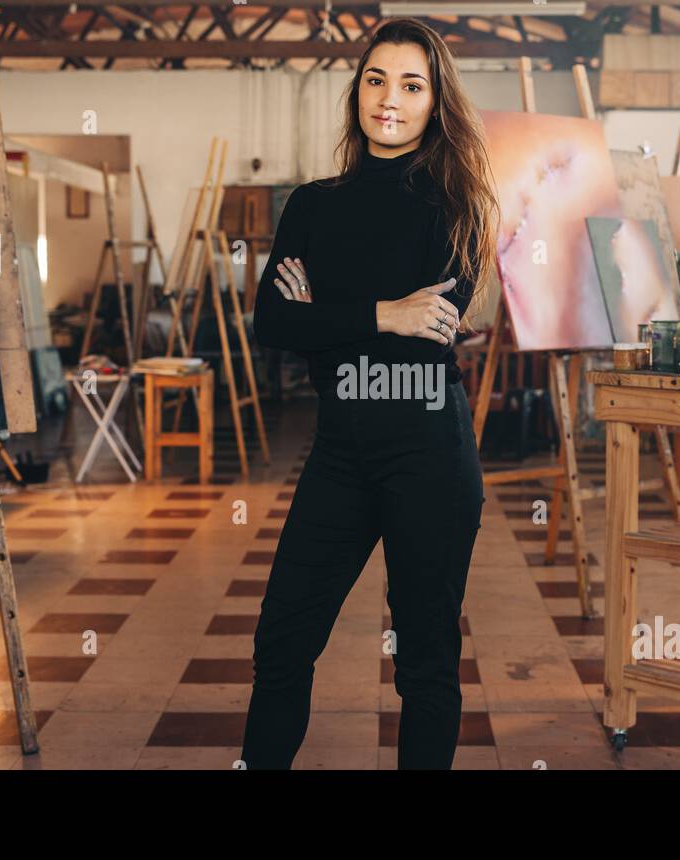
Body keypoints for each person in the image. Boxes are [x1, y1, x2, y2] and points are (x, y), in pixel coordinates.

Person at [240, 17, 499, 770]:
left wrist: (326, 315)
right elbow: (272, 321)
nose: (390, 98)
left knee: (425, 661)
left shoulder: (454, 207)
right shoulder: (313, 204)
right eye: (377, 79)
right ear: (358, 89)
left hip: (429, 453)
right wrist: (384, 312)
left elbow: (433, 328)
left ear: (434, 101)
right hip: (341, 451)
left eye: (412, 85)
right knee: (281, 639)